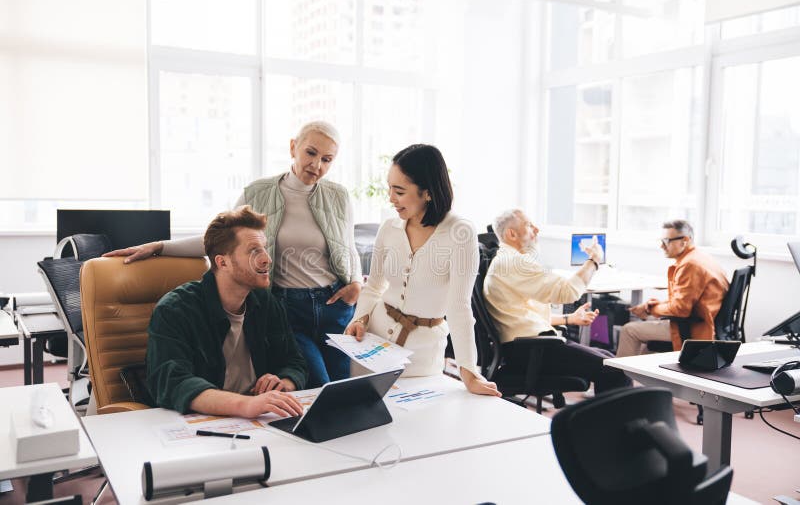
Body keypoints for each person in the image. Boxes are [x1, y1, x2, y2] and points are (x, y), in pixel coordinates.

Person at [105, 121, 362, 388]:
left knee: (342, 388)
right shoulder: (258, 192)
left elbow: (348, 246)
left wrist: (356, 283)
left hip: (334, 305)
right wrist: (160, 246)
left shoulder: (338, 196)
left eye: (327, 160)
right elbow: (222, 239)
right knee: (316, 385)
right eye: (311, 153)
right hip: (287, 307)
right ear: (293, 147)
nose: (317, 165)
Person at [343, 144, 500, 396]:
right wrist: (359, 318)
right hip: (372, 347)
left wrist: (468, 371)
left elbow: (459, 306)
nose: (391, 198)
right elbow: (374, 286)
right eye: (389, 188)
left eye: (399, 191)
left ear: (427, 192)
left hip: (422, 356)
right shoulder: (389, 228)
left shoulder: (460, 233)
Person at [147, 206, 306, 418]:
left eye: (265, 249)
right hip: (201, 422)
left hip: (259, 420)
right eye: (253, 251)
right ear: (223, 262)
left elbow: (295, 362)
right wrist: (247, 405)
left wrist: (282, 384)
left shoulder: (265, 301)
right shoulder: (175, 310)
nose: (267, 259)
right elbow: (173, 382)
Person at [482, 209, 631, 393]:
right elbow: (568, 291)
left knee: (610, 359)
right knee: (616, 370)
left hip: (528, 346)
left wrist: (569, 319)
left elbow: (524, 316)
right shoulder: (513, 263)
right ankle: (607, 421)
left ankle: (608, 420)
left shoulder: (505, 260)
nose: (536, 229)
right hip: (532, 350)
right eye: (529, 225)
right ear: (511, 234)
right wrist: (593, 261)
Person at [617, 220, 729, 357]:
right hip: (700, 321)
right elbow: (682, 301)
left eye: (666, 241)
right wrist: (652, 306)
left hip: (693, 329)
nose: (661, 246)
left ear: (685, 240)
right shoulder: (700, 257)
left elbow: (680, 310)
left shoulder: (690, 265)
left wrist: (649, 309)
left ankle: (619, 378)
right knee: (646, 340)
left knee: (629, 330)